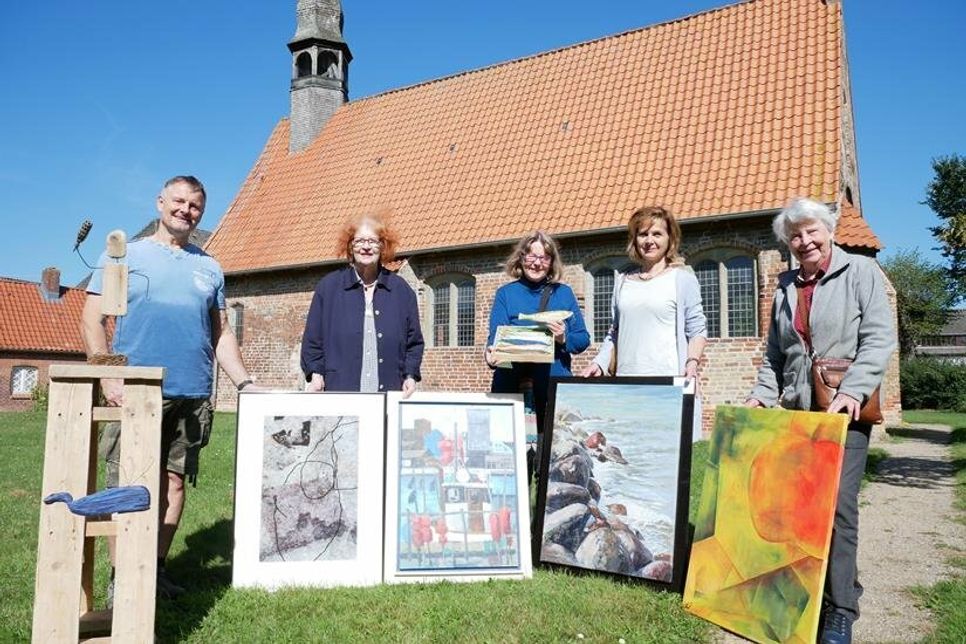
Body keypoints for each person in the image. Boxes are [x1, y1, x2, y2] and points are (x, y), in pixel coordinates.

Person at [81, 175, 260, 601]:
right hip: (137, 393)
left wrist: (245, 382)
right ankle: (121, 575)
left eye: (195, 205)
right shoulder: (125, 255)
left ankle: (154, 570)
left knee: (174, 484)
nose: (186, 210)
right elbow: (92, 320)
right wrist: (109, 376)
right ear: (160, 202)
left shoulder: (209, 267)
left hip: (193, 393)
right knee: (126, 484)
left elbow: (221, 334)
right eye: (178, 201)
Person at [745, 197, 895, 644]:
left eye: (812, 231)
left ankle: (841, 608)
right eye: (795, 235)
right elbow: (776, 353)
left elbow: (878, 338)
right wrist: (761, 394)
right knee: (799, 508)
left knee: (838, 509)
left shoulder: (860, 272)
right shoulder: (785, 286)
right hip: (797, 413)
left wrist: (853, 389)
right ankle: (810, 589)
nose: (804, 240)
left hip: (842, 412)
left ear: (829, 230)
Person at [582, 206, 707, 429]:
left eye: (657, 234)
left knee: (668, 454)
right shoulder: (622, 282)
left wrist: (692, 363)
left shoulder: (682, 279)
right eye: (643, 234)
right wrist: (599, 363)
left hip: (668, 384)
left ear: (670, 239)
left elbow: (697, 329)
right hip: (627, 383)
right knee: (634, 453)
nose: (649, 240)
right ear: (635, 240)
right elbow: (615, 332)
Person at [484, 231, 591, 475]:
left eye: (544, 258)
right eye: (531, 256)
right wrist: (490, 355)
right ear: (521, 259)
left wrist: (563, 337)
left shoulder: (562, 293)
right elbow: (494, 339)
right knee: (510, 468)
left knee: (551, 470)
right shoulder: (506, 294)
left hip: (552, 391)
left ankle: (543, 511)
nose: (536, 262)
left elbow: (582, 339)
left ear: (552, 262)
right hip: (512, 388)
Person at [301, 212, 424, 395]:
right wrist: (316, 375)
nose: (366, 247)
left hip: (388, 396)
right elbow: (312, 342)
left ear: (382, 246)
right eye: (359, 241)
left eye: (373, 241)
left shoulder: (402, 291)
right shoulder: (328, 289)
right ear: (350, 246)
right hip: (341, 397)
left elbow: (414, 344)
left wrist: (410, 376)